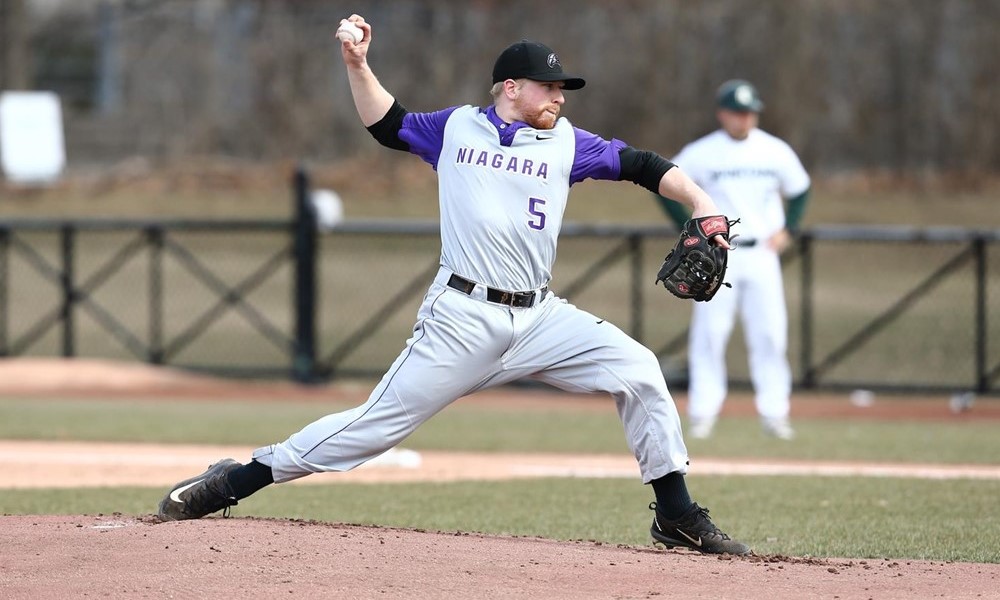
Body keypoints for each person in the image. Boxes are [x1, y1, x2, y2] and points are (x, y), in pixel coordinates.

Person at [157, 14, 750, 556]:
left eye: (563, 89)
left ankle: (675, 514)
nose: (559, 97)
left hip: (541, 318)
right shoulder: (458, 129)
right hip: (462, 317)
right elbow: (387, 125)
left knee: (640, 371)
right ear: (512, 88)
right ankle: (237, 479)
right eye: (550, 87)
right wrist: (358, 66)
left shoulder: (569, 144)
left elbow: (646, 166)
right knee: (369, 431)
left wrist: (701, 203)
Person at [654, 79, 811, 441]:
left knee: (770, 334)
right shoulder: (702, 152)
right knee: (710, 334)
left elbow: (800, 189)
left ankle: (775, 413)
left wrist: (790, 228)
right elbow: (664, 184)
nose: (745, 119)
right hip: (717, 256)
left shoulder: (774, 150)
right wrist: (688, 227)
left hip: (762, 253)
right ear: (723, 114)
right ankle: (703, 413)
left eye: (750, 112)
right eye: (738, 112)